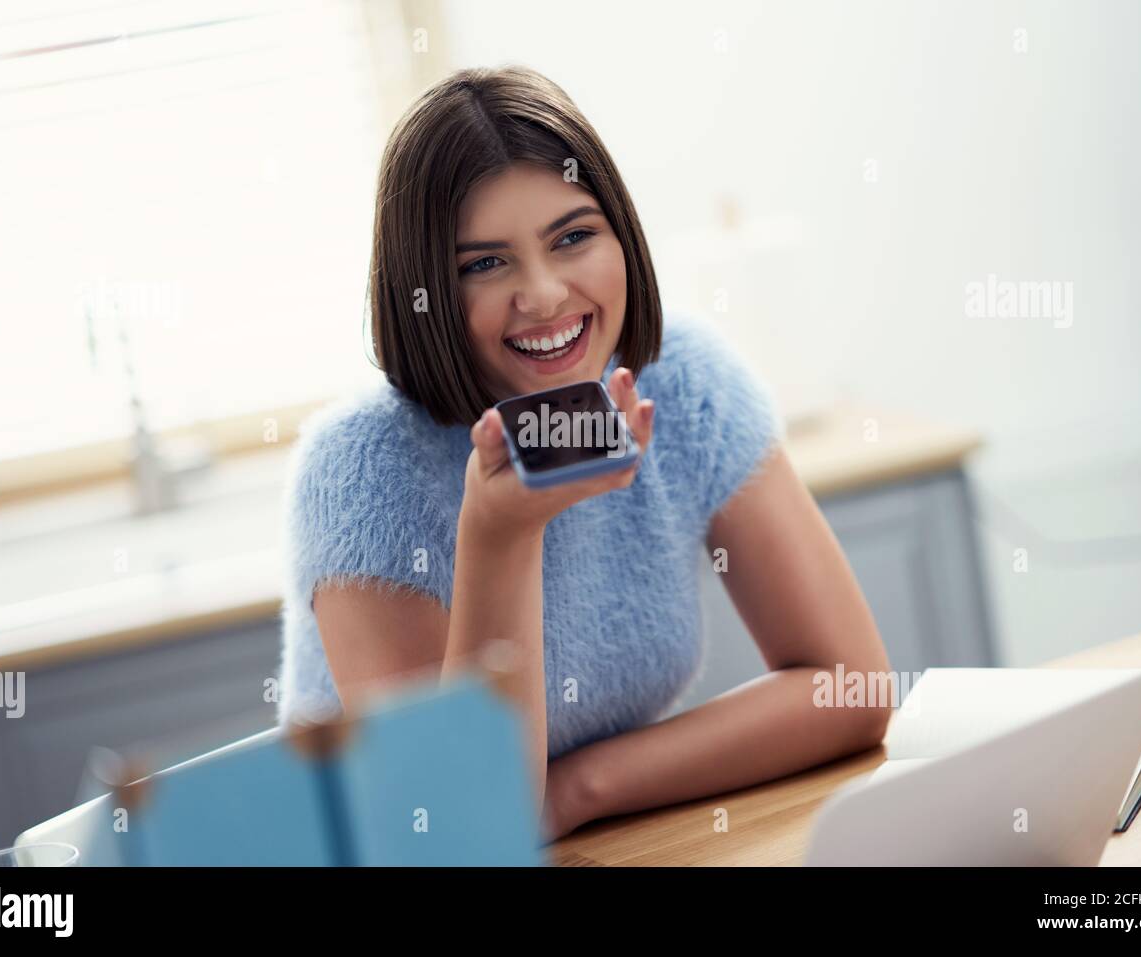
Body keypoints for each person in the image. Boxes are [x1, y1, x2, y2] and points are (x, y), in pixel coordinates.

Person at [278, 65, 892, 842]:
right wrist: (500, 534)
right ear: (423, 289)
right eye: (483, 263)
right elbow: (453, 835)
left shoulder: (685, 382)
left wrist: (576, 790)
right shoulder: (361, 472)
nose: (543, 295)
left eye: (572, 237)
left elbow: (853, 687)